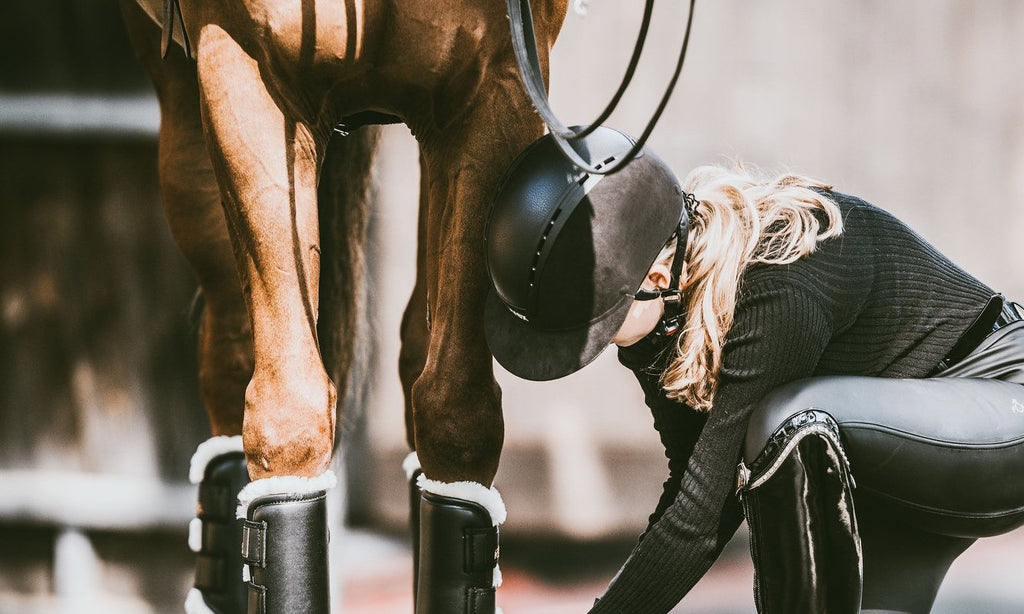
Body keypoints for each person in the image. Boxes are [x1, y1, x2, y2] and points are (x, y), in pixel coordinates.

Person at [483, 126, 1024, 614]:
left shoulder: (775, 288)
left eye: (599, 326)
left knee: (787, 417)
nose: (599, 346)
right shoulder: (663, 315)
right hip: (898, 468)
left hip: (998, 404)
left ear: (657, 273)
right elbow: (690, 493)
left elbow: (704, 514)